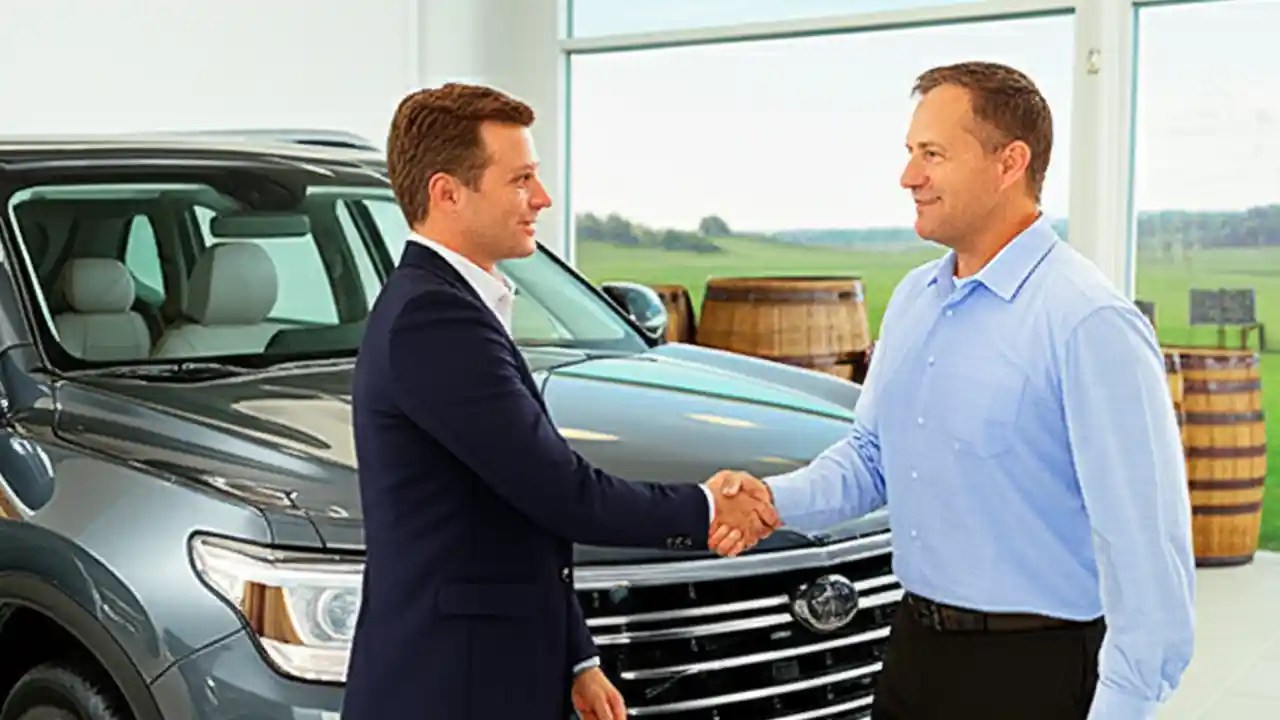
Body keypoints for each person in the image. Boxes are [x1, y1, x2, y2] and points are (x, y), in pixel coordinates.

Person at [709, 61, 1196, 719]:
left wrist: (1122, 708)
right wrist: (775, 500)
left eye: (932, 154)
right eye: (911, 152)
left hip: (1036, 673)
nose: (908, 176)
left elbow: (1146, 549)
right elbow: (873, 459)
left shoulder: (1088, 320)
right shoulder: (915, 299)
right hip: (915, 651)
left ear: (1009, 163)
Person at [343, 83, 779, 720]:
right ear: (447, 193)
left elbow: (513, 503)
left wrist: (576, 658)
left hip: (487, 669)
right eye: (520, 179)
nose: (542, 198)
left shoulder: (452, 305)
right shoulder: (433, 320)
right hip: (452, 686)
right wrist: (710, 506)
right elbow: (560, 492)